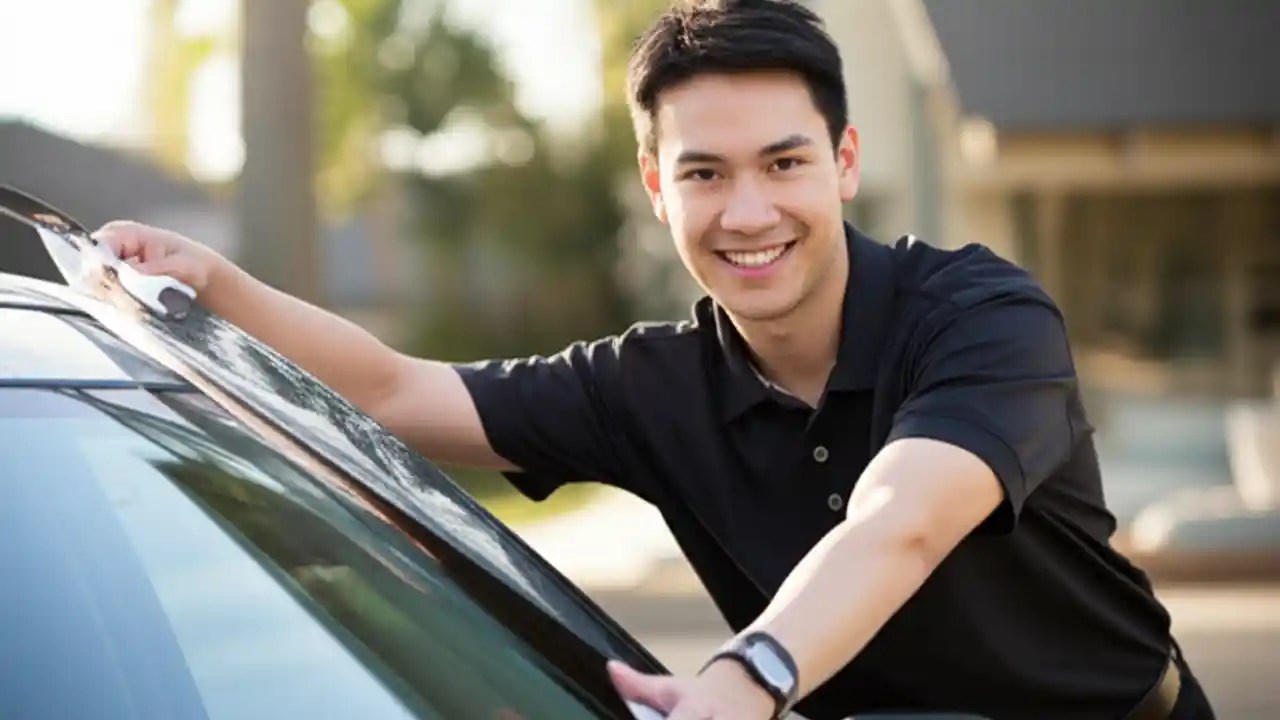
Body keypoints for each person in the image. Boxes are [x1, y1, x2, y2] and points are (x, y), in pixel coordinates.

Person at [95, 1, 1217, 718]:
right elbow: (396, 391)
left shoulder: (978, 312)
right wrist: (220, 285)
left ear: (843, 160)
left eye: (783, 163)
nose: (747, 212)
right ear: (652, 185)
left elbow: (899, 522)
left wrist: (748, 678)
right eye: (703, 173)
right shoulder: (649, 385)